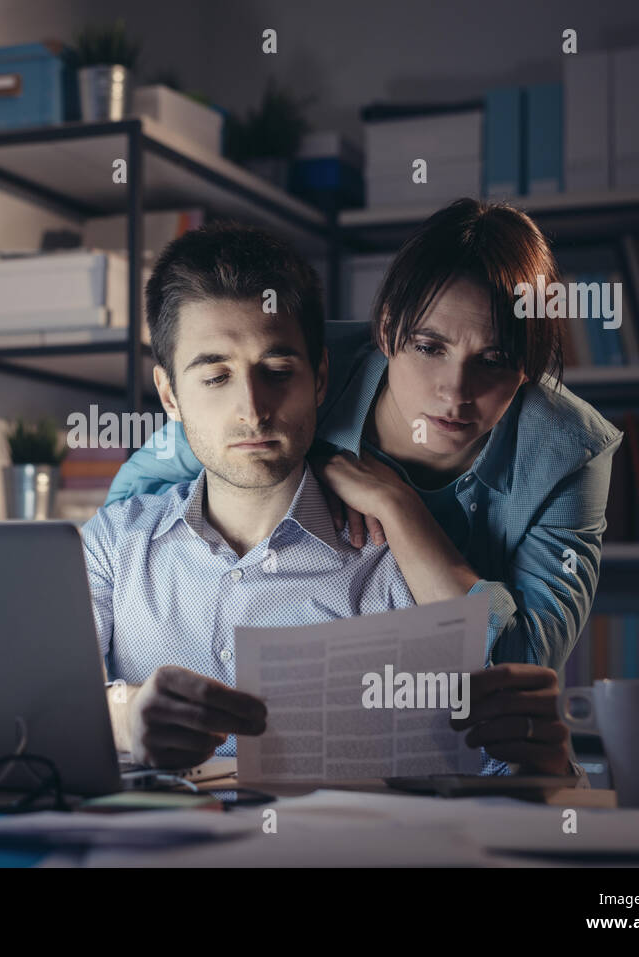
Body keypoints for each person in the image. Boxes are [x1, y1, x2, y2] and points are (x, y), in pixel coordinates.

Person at [83, 218, 587, 780]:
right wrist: (124, 717)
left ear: (321, 379)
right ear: (169, 396)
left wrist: (548, 769)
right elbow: (17, 704)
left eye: (276, 371)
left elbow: (499, 764)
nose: (252, 409)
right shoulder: (111, 545)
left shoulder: (401, 573)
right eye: (216, 377)